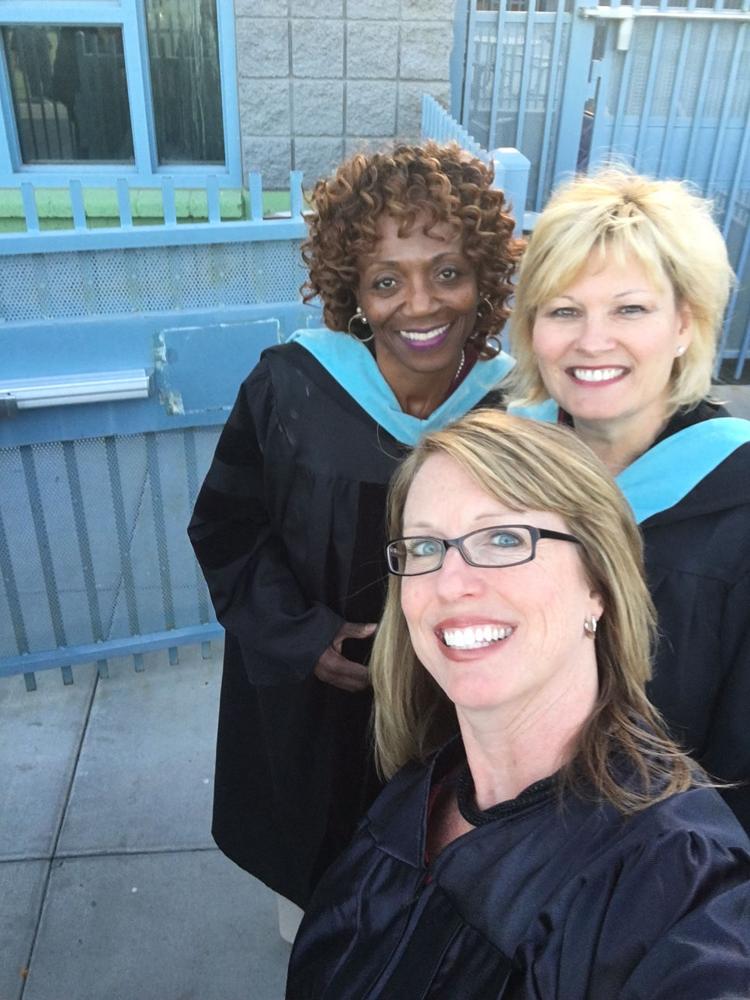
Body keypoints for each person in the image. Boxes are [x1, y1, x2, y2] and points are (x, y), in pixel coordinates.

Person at [286, 410, 750, 999]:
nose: (450, 583)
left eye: (504, 538)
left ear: (599, 583)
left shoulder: (676, 877)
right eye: (426, 546)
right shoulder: (423, 786)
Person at [188, 142, 521, 915]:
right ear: (354, 293)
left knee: (444, 882)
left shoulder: (514, 410)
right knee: (317, 878)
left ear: (483, 275)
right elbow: (228, 528)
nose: (420, 304)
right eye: (385, 281)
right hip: (319, 710)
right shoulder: (291, 389)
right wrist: (302, 636)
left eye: (447, 271)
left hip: (457, 709)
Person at [508, 169, 750, 831]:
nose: (592, 341)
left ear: (684, 325)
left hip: (662, 875)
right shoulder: (500, 465)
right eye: (563, 310)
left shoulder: (737, 502)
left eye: (629, 309)